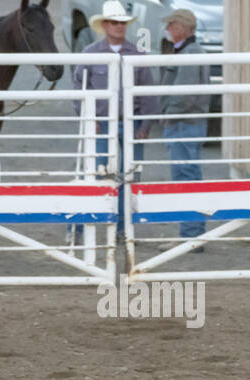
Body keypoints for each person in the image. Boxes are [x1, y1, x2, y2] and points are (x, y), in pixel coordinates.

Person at [71, 1, 157, 227]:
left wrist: (145, 125)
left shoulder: (138, 54)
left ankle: (121, 225)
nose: (120, 27)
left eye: (122, 23)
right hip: (102, 122)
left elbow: (148, 93)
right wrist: (89, 119)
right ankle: (83, 222)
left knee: (130, 175)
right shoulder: (90, 53)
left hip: (132, 121)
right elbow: (80, 90)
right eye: (115, 23)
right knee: (98, 172)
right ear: (105, 25)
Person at [158, 8, 208, 242]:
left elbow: (184, 96)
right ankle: (191, 234)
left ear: (183, 28)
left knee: (185, 178)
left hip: (183, 124)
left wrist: (168, 114)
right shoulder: (191, 51)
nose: (167, 29)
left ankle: (190, 235)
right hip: (187, 123)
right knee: (188, 177)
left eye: (171, 25)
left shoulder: (189, 53)